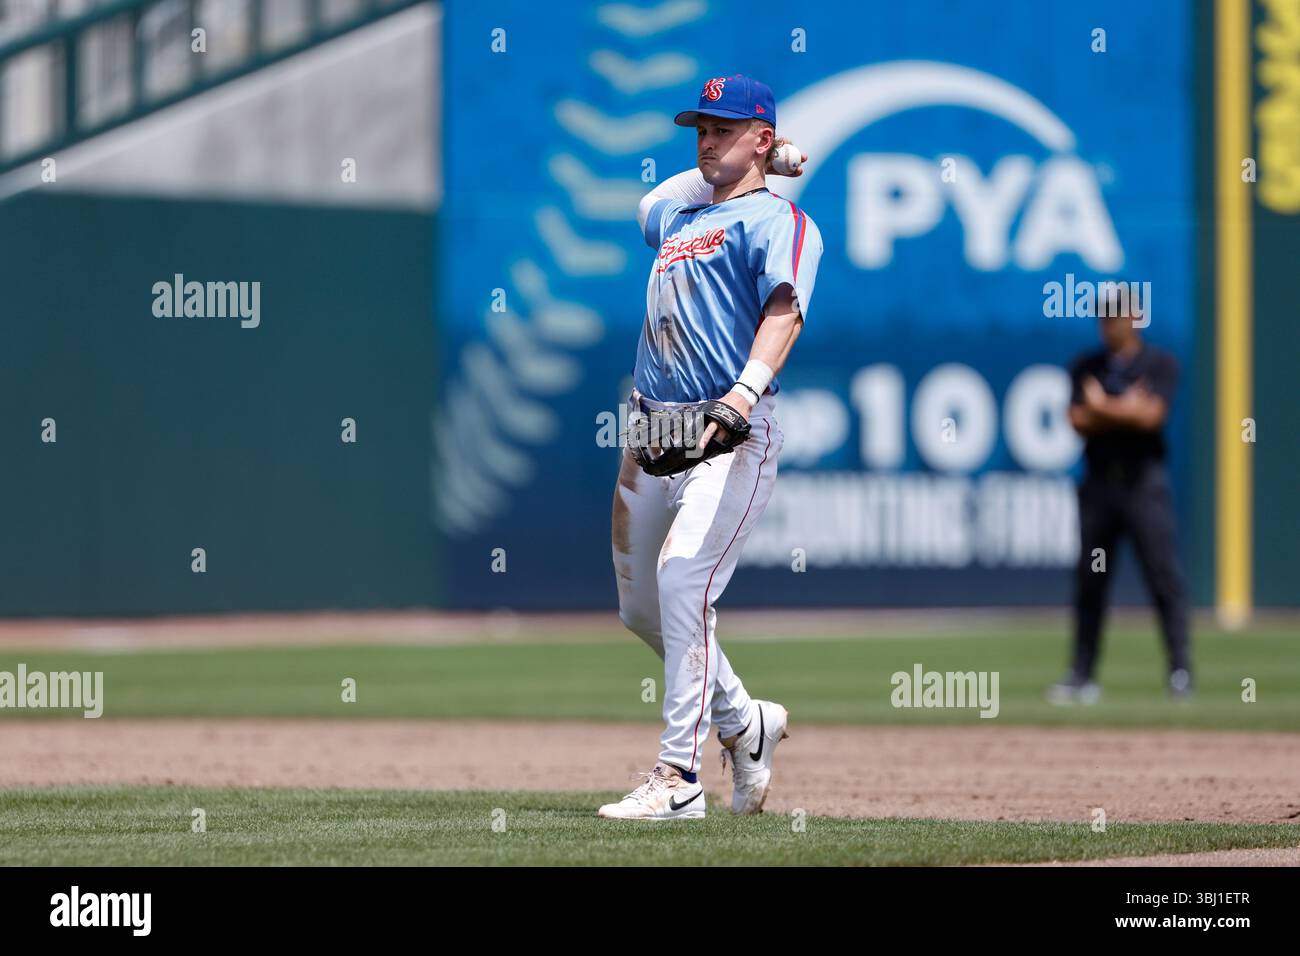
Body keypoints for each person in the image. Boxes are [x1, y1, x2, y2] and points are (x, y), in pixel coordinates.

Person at [599, 74, 823, 820]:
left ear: (758, 137)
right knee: (642, 609)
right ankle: (745, 723)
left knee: (682, 582)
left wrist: (742, 396)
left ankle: (677, 779)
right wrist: (764, 151)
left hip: (727, 432)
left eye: (723, 129)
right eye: (700, 129)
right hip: (653, 433)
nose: (705, 142)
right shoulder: (678, 216)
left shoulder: (780, 221)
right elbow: (645, 203)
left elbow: (783, 314)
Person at [1049, 299, 1193, 705]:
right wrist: (1124, 408)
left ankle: (1180, 671)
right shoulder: (1086, 365)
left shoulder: (1159, 363)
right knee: (1091, 581)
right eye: (1103, 315)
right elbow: (1077, 420)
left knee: (1162, 577)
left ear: (1135, 318)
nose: (1109, 323)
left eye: (1117, 314)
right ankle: (1082, 675)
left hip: (1144, 486)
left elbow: (1151, 418)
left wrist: (1104, 408)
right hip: (1100, 488)